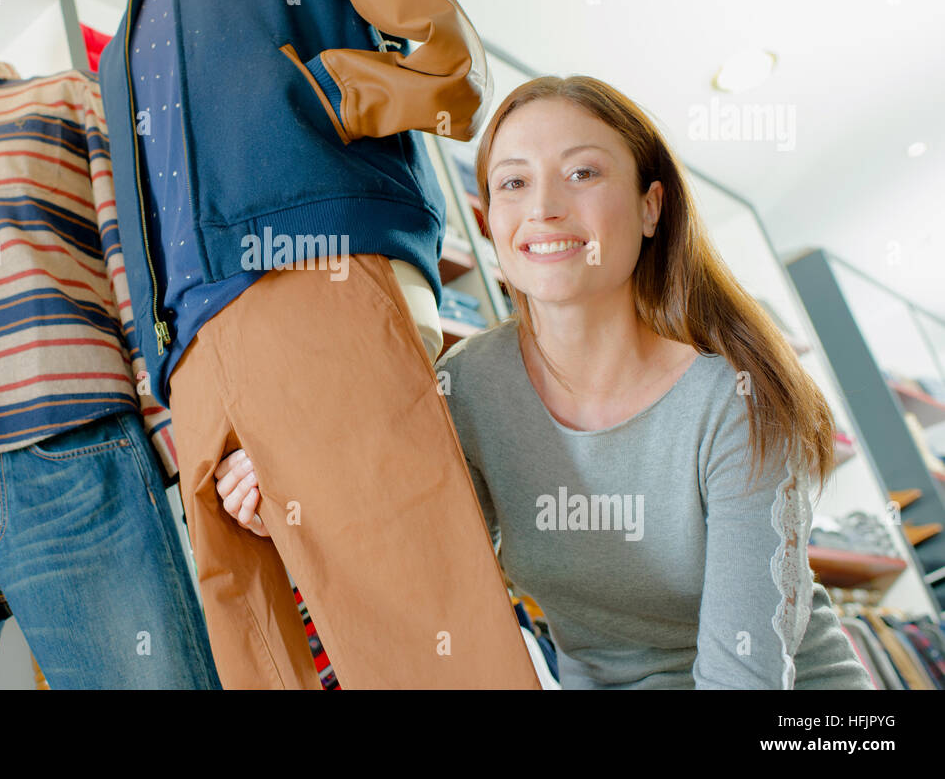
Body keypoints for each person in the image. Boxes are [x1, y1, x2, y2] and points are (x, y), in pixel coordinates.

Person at [215, 74, 874, 689]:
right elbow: (416, 544)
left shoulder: (734, 399)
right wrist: (291, 491)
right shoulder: (469, 384)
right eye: (513, 183)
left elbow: (745, 676)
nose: (545, 207)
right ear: (491, 222)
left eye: (582, 172)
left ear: (651, 207)